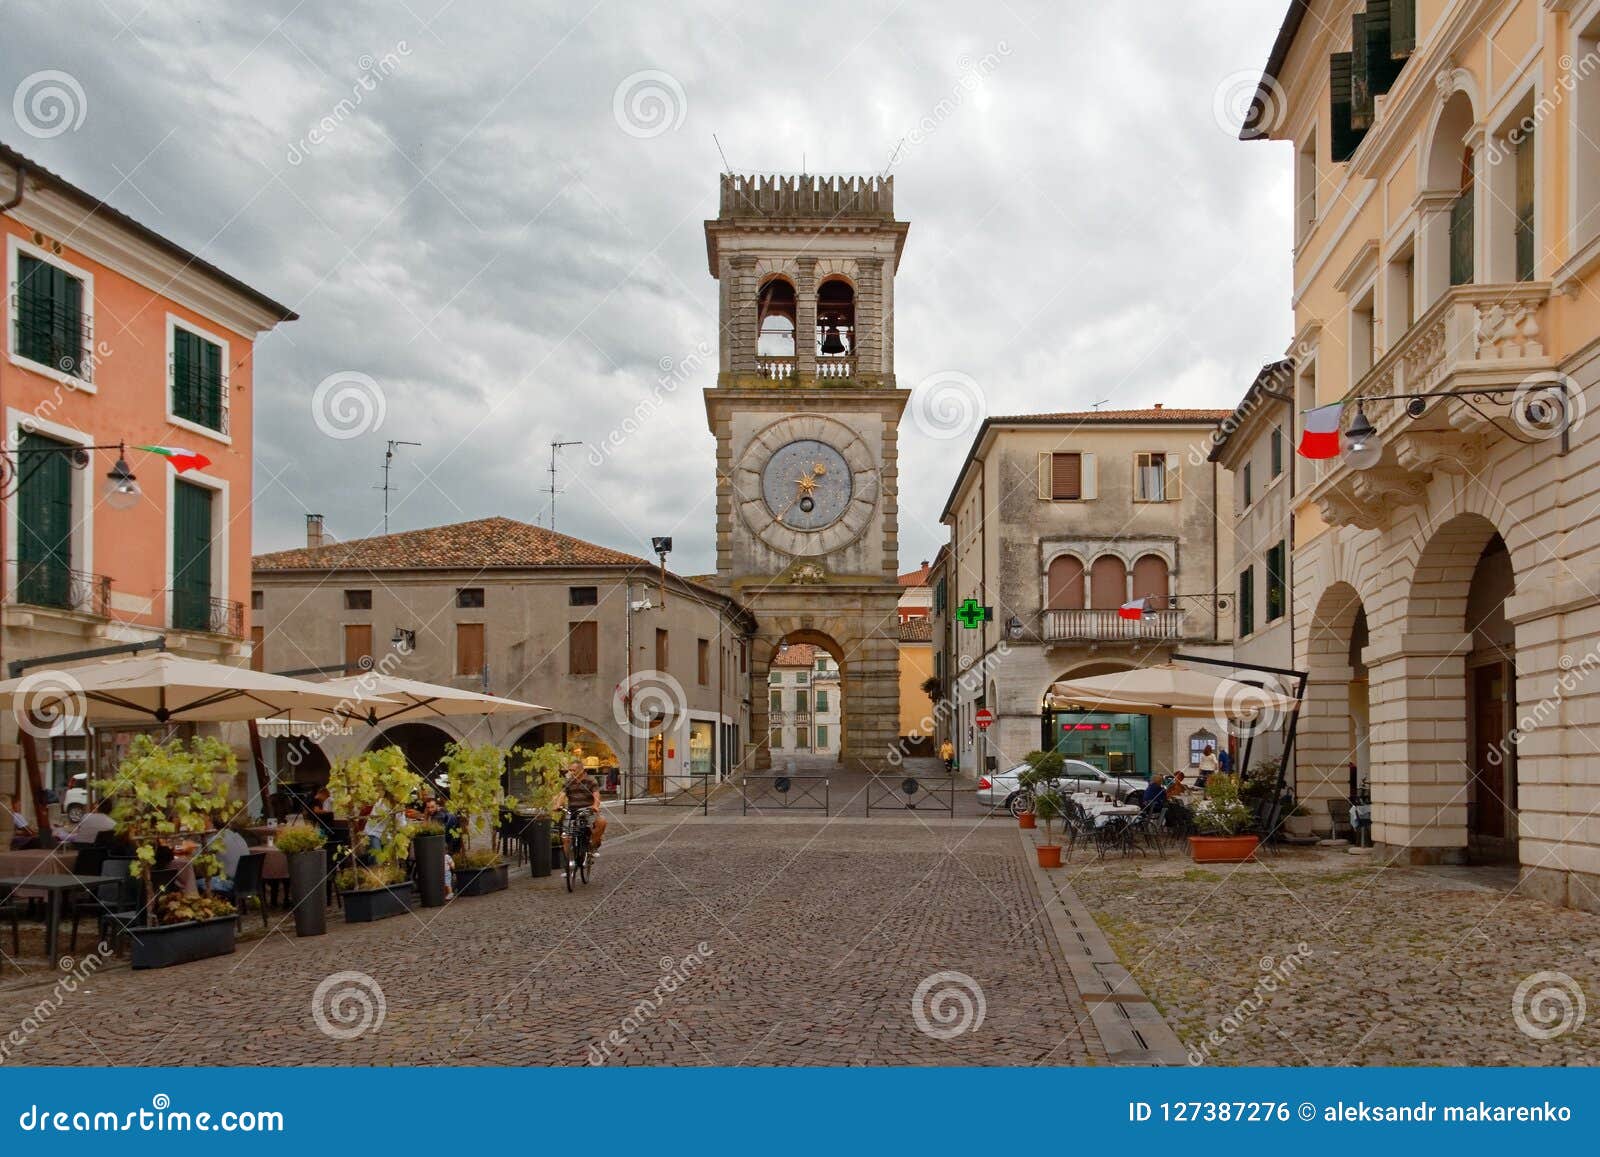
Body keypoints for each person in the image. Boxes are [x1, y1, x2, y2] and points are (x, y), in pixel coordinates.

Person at [557, 760, 607, 869]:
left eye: (573, 770)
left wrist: (595, 806)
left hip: (588, 810)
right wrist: (557, 805)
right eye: (570, 770)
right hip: (572, 811)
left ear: (582, 770)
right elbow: (562, 795)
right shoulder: (568, 781)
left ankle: (592, 846)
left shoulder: (590, 780)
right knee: (566, 837)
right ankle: (569, 863)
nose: (571, 772)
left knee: (601, 822)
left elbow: (596, 795)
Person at [204, 819, 250, 896]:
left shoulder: (217, 839)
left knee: (194, 883)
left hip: (230, 883)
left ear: (212, 825)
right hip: (248, 881)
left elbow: (197, 855)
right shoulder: (239, 837)